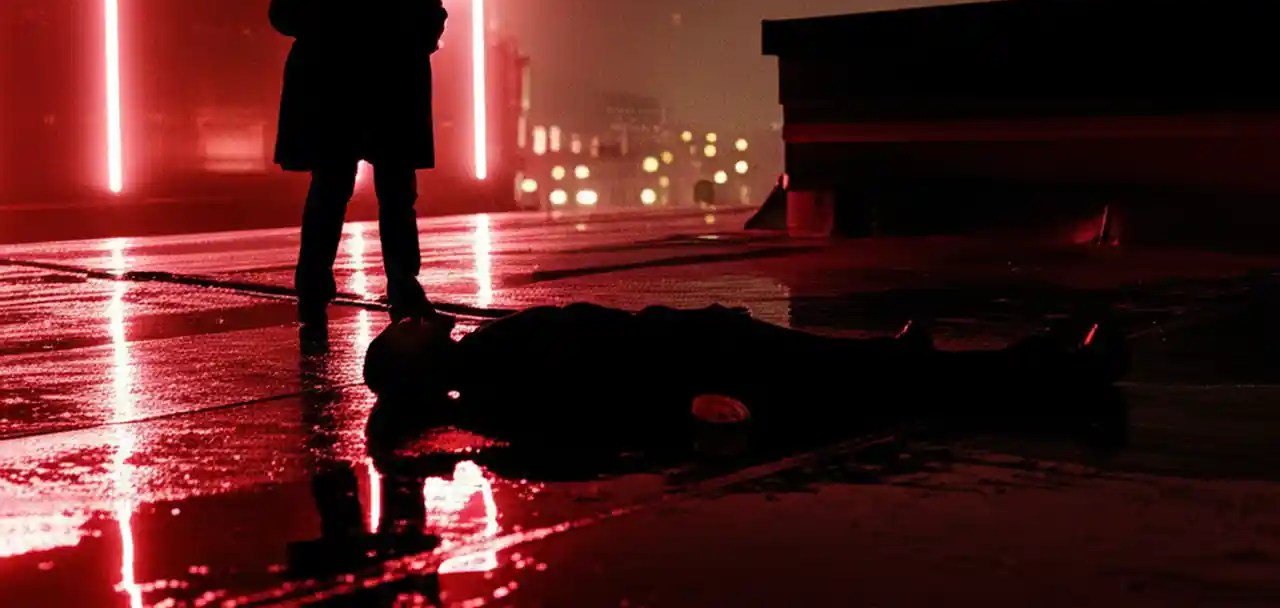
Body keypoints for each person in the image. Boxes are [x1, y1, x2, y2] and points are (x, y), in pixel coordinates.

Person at [362, 304, 1129, 451]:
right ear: (416, 360)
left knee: (873, 373)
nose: (410, 315)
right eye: (403, 329)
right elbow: (601, 391)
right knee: (888, 385)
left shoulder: (493, 364)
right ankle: (1056, 375)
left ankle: (1031, 366)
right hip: (714, 359)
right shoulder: (501, 374)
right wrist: (684, 399)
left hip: (712, 345)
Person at [270, 0, 448, 353]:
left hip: (334, 90)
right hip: (389, 90)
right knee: (394, 195)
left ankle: (313, 293)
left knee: (330, 192)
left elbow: (282, 13)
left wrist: (331, 32)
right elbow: (433, 18)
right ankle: (403, 288)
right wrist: (402, 44)